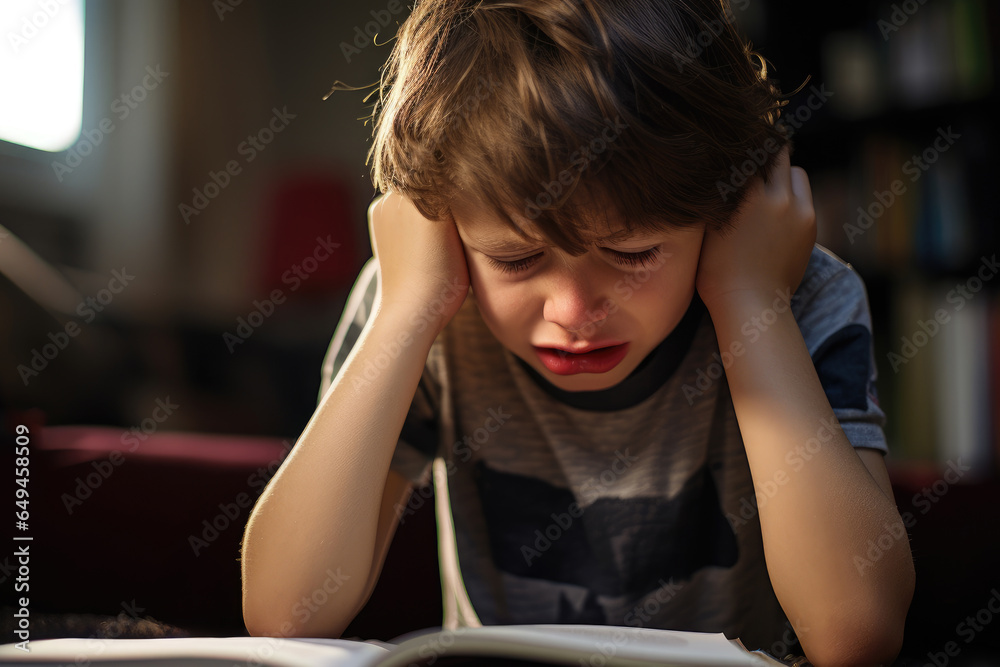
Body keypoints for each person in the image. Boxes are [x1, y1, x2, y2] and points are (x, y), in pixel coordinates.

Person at [240, 0, 915, 663]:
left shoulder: (799, 298)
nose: (571, 310)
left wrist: (750, 301)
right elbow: (286, 613)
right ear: (440, 224)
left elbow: (854, 632)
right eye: (515, 259)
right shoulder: (418, 304)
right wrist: (406, 309)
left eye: (632, 253)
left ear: (726, 213)